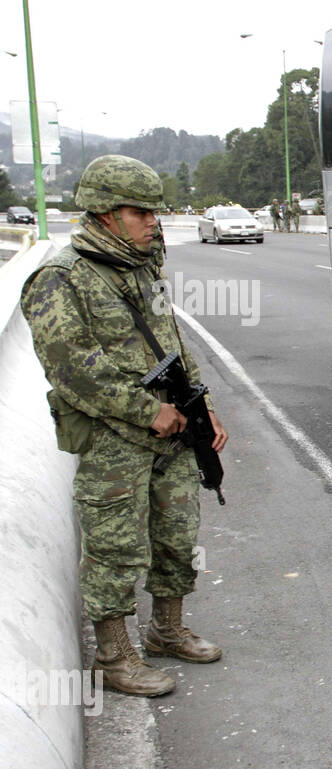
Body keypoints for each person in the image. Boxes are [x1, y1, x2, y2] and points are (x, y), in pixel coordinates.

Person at [21, 155, 228, 697]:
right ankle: (114, 658)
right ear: (107, 214)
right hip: (116, 440)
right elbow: (74, 370)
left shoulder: (142, 266)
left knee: (177, 536)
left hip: (176, 429)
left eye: (155, 212)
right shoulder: (60, 278)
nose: (153, 222)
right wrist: (146, 411)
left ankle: (165, 630)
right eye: (141, 212)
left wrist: (202, 408)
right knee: (114, 549)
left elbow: (173, 343)